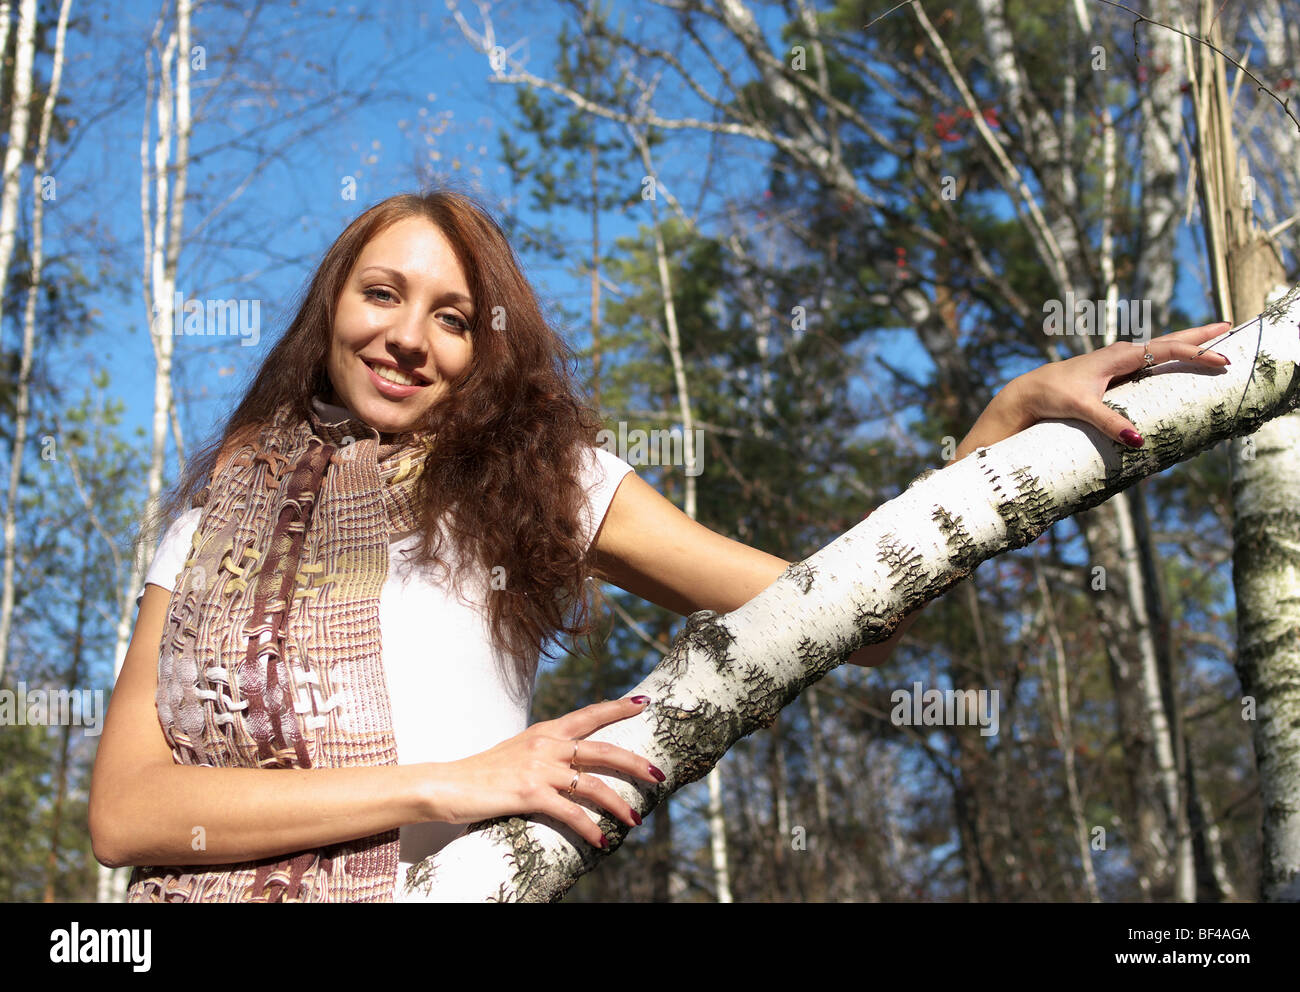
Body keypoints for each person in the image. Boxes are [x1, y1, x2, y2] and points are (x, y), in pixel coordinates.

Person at [88, 188, 1233, 902]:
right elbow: (130, 811)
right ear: (328, 306)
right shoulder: (214, 514)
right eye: (380, 293)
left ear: (488, 349)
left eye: (451, 315)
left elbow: (852, 617)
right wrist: (462, 778)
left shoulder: (536, 482)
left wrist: (996, 436)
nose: (406, 337)